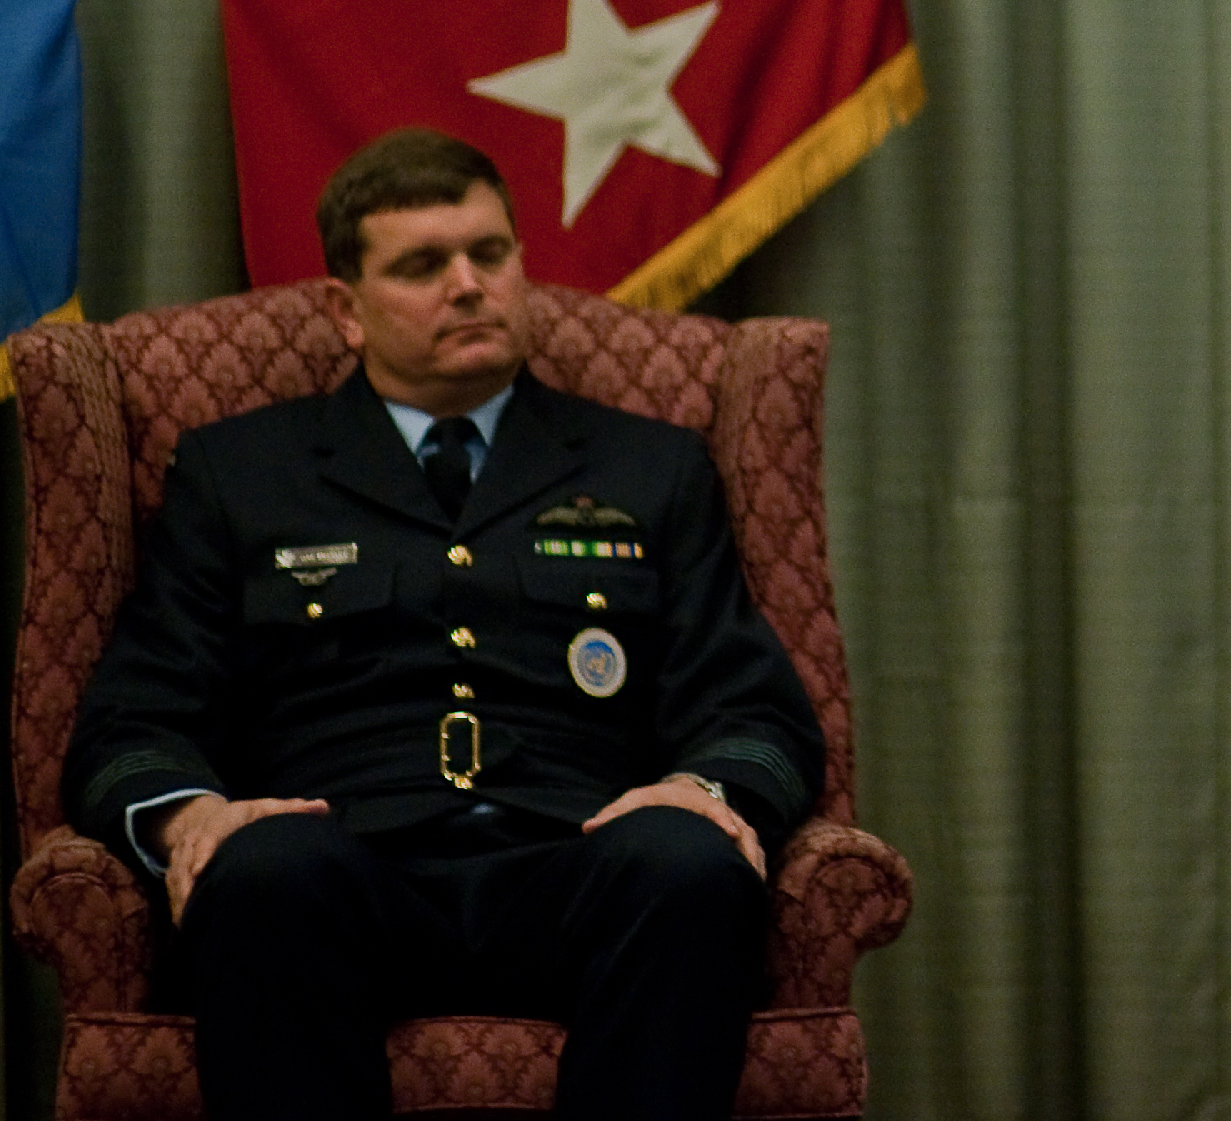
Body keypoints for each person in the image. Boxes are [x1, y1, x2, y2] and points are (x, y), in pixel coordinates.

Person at [64, 127, 823, 1121]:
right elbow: (129, 723)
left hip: (576, 863)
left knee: (687, 860)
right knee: (260, 871)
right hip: (343, 868)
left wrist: (699, 785)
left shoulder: (650, 467)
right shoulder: (241, 472)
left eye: (489, 253)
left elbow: (756, 709)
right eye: (424, 264)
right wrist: (193, 815)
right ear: (345, 308)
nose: (469, 284)